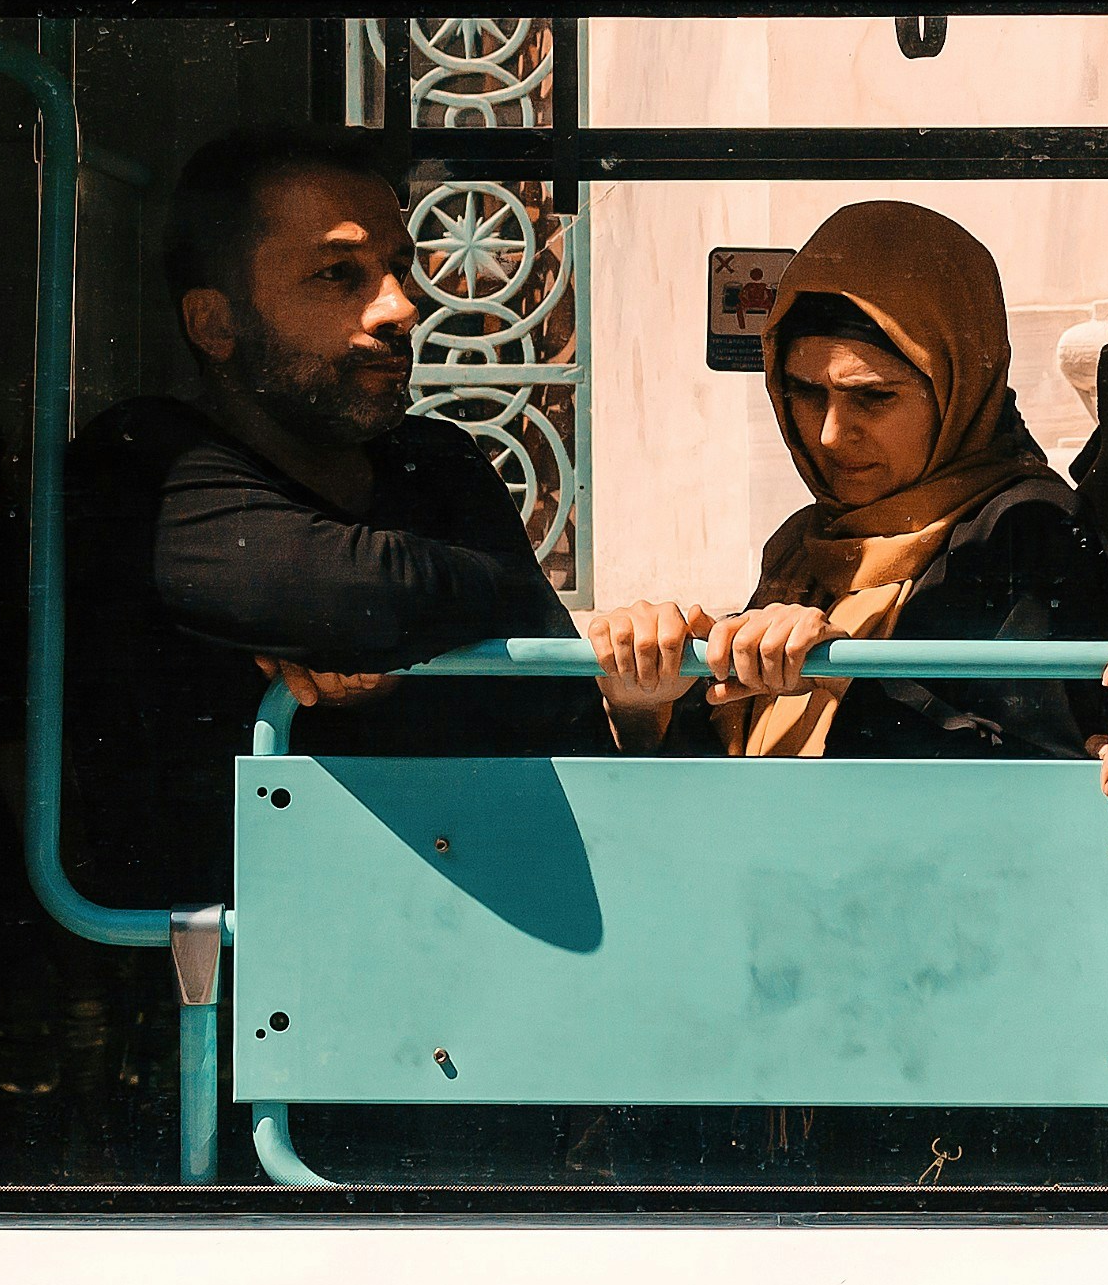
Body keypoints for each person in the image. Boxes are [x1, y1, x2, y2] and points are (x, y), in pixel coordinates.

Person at [58, 127, 664, 917]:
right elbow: (366, 597)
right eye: (338, 274)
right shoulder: (145, 460)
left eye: (399, 268)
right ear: (215, 323)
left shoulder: (436, 458)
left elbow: (553, 712)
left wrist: (389, 667)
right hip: (235, 985)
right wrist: (441, 616)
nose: (401, 307)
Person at [588, 200, 1108, 798]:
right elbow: (718, 790)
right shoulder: (803, 547)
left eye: (872, 398)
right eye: (805, 393)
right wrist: (647, 696)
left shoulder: (1021, 531)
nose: (830, 434)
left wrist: (838, 674)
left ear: (956, 387)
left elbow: (1024, 777)